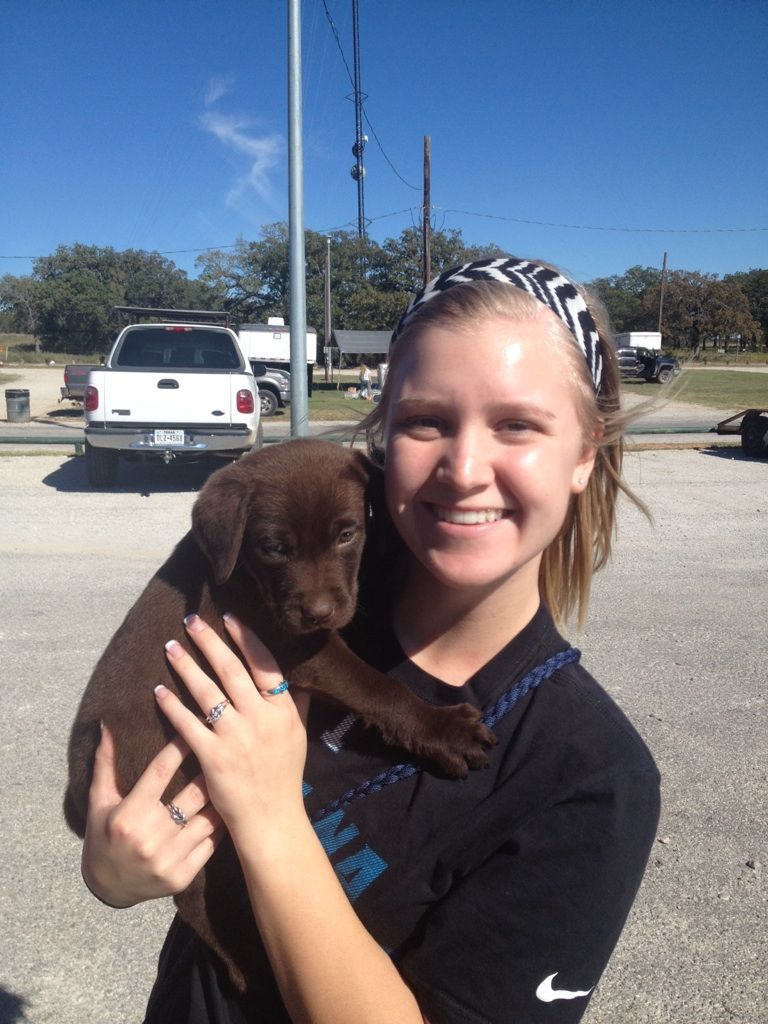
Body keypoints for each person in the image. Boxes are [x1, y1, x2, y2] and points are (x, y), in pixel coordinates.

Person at [81, 256, 660, 1024]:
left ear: (586, 451)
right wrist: (112, 872)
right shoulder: (296, 605)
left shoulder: (585, 777)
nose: (463, 468)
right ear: (383, 439)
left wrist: (269, 815)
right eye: (426, 420)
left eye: (516, 424)